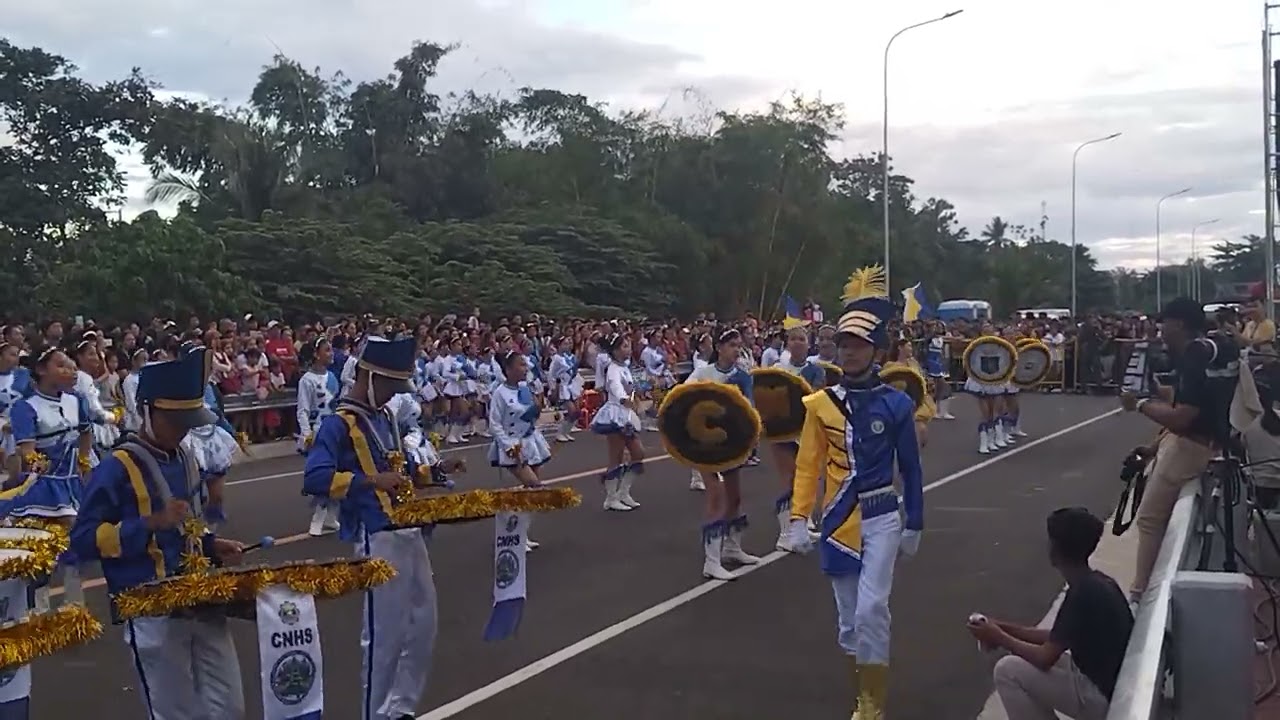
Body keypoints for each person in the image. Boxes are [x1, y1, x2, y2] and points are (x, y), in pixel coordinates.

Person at [69, 345, 247, 720]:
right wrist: (148, 524)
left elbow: (187, 528)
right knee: (177, 712)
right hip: (150, 607)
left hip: (200, 598)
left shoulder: (185, 457)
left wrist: (214, 545)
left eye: (187, 422)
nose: (183, 431)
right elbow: (83, 540)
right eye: (175, 421)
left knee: (229, 706)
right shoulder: (116, 467)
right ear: (147, 411)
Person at [783, 265, 923, 719]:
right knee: (848, 621)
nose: (850, 352)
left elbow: (912, 469)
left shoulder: (897, 404)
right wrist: (798, 518)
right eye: (844, 344)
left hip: (882, 517)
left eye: (859, 344)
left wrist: (915, 521)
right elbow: (807, 467)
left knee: (871, 609)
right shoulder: (819, 405)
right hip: (838, 522)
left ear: (875, 350)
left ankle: (872, 704)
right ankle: (862, 691)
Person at [302, 336, 437, 720]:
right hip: (375, 534)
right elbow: (315, 478)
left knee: (423, 625)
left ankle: (401, 709)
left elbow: (398, 471)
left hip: (407, 528)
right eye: (391, 385)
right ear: (368, 376)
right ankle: (375, 714)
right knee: (384, 635)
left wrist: (428, 474)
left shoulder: (385, 418)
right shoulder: (337, 423)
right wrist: (370, 482)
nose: (395, 394)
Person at [969, 508, 1132, 720]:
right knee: (1022, 658)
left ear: (1056, 550)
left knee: (1007, 670)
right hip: (1113, 684)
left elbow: (1044, 657)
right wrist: (999, 627)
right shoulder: (1097, 581)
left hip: (1103, 698)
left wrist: (998, 637)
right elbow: (1055, 637)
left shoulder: (1082, 592)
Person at [1120, 297, 1218, 604]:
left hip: (1192, 445)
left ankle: (1141, 597)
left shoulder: (1193, 355)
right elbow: (1187, 399)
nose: (1160, 329)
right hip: (1207, 441)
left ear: (1178, 323)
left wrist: (1138, 404)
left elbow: (1182, 417)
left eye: (1164, 323)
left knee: (1149, 519)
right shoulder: (1210, 347)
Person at [685, 328, 761, 580]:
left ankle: (731, 548)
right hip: (706, 445)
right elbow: (683, 398)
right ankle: (712, 560)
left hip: (732, 444)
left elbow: (749, 409)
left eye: (739, 345)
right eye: (731, 345)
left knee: (734, 498)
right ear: (719, 347)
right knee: (715, 496)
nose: (736, 349)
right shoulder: (703, 373)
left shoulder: (743, 377)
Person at [590, 333, 646, 512]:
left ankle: (623, 492)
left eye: (629, 345)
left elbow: (631, 386)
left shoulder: (626, 367)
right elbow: (614, 385)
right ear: (615, 351)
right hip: (615, 413)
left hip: (626, 413)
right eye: (624, 346)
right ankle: (611, 498)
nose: (628, 349)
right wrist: (623, 398)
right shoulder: (613, 368)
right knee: (616, 456)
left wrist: (638, 393)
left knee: (638, 453)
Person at [297, 337, 342, 536]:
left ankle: (331, 516)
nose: (331, 354)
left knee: (339, 472)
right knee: (323, 473)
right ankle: (318, 517)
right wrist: (307, 434)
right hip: (318, 432)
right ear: (316, 354)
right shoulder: (307, 380)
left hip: (336, 429)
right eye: (327, 350)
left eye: (331, 350)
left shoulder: (333, 377)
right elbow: (303, 410)